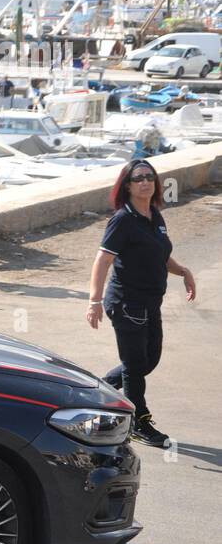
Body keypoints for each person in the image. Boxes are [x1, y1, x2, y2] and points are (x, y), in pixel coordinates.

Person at [85, 160, 197, 447]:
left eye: (150, 177)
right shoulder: (123, 220)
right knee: (135, 366)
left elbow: (160, 254)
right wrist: (94, 301)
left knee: (148, 360)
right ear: (127, 185)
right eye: (138, 179)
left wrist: (182, 271)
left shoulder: (155, 216)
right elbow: (103, 260)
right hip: (126, 303)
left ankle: (97, 390)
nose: (145, 182)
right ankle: (139, 423)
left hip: (149, 303)